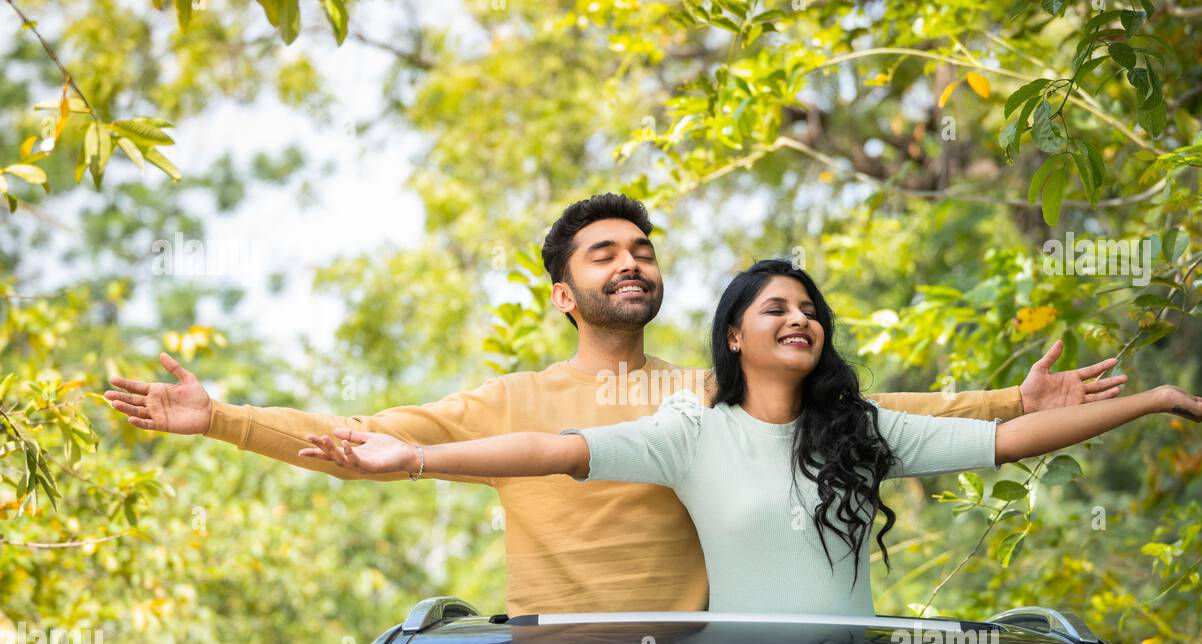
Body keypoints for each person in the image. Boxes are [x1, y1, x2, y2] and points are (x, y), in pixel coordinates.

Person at [105, 194, 1128, 616]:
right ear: (563, 293)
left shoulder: (701, 399)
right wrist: (225, 418)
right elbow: (359, 442)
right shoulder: (502, 402)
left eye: (642, 249)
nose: (631, 262)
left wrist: (1009, 399)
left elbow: (870, 409)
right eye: (605, 252)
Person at [302, 258, 1202, 617]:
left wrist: (1161, 397)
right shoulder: (688, 431)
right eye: (775, 308)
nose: (800, 319)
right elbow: (552, 447)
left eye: (810, 310)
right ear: (734, 334)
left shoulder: (861, 432)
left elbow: (1012, 441)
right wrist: (417, 457)